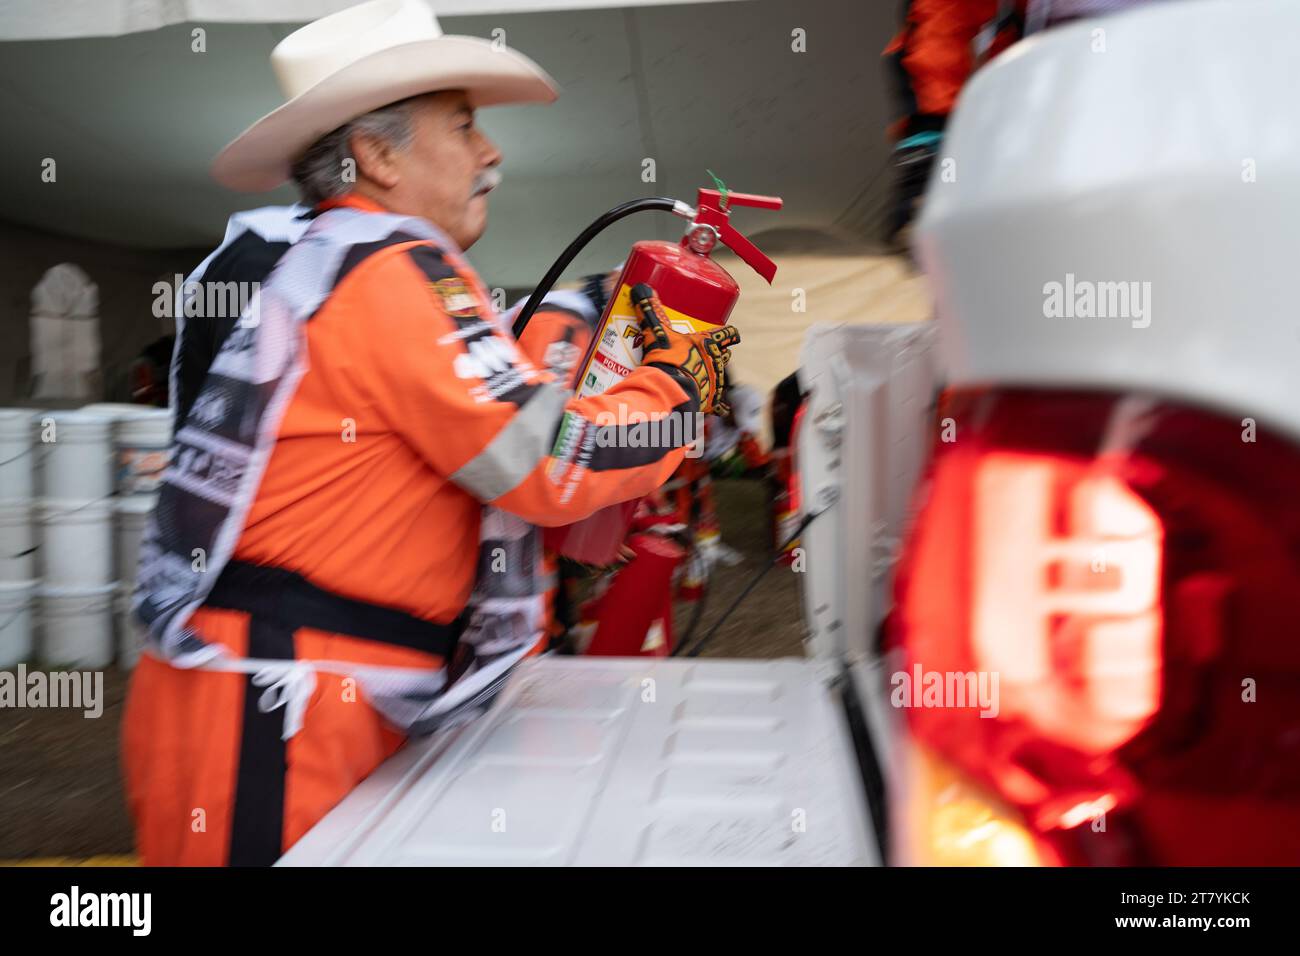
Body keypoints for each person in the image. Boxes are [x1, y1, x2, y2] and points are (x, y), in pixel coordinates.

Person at [123, 0, 738, 866]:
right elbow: (547, 462)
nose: (491, 152)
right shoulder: (388, 269)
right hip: (277, 704)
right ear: (375, 155)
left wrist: (596, 312)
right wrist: (677, 386)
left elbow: (481, 388)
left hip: (298, 694)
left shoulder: (350, 263)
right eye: (463, 124)